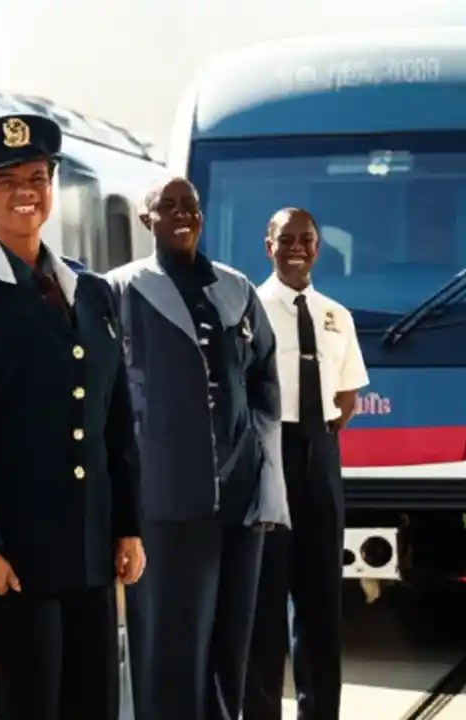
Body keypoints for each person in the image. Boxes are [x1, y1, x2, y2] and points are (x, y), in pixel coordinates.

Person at [0, 113, 144, 720]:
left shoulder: (90, 291)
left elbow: (113, 416)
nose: (26, 192)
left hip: (88, 546)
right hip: (9, 550)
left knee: (93, 704)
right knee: (29, 705)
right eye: (7, 179)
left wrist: (127, 526)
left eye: (38, 177)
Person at [107, 177, 290, 720]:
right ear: (147, 219)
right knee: (170, 645)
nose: (183, 215)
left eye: (191, 206)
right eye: (169, 207)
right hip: (161, 499)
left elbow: (265, 385)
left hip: (238, 495)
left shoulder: (236, 289)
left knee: (232, 640)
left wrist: (264, 475)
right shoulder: (120, 289)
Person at [243, 207, 368, 720]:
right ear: (268, 245)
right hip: (268, 459)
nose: (297, 247)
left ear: (319, 247)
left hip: (321, 462)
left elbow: (348, 395)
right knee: (265, 607)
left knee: (320, 607)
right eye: (286, 238)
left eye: (307, 239)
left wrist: (324, 432)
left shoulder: (338, 315)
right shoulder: (247, 311)